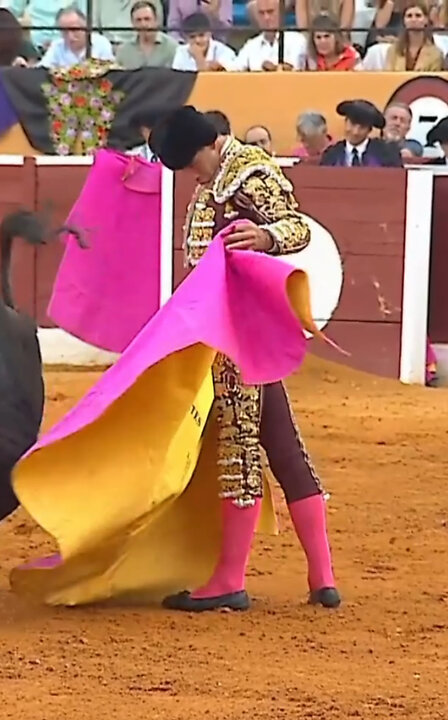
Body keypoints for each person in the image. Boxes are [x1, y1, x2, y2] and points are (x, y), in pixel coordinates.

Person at [145, 105, 341, 613]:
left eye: (192, 163)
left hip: (242, 331)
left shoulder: (248, 172)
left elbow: (297, 228)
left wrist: (266, 237)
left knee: (240, 446)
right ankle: (323, 579)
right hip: (229, 330)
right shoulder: (213, 183)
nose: (192, 174)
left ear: (210, 145)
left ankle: (229, 579)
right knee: (280, 442)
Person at [319, 99, 402, 168]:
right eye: (352, 124)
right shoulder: (331, 154)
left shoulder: (387, 153)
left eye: (362, 127)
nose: (355, 132)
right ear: (346, 122)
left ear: (369, 130)